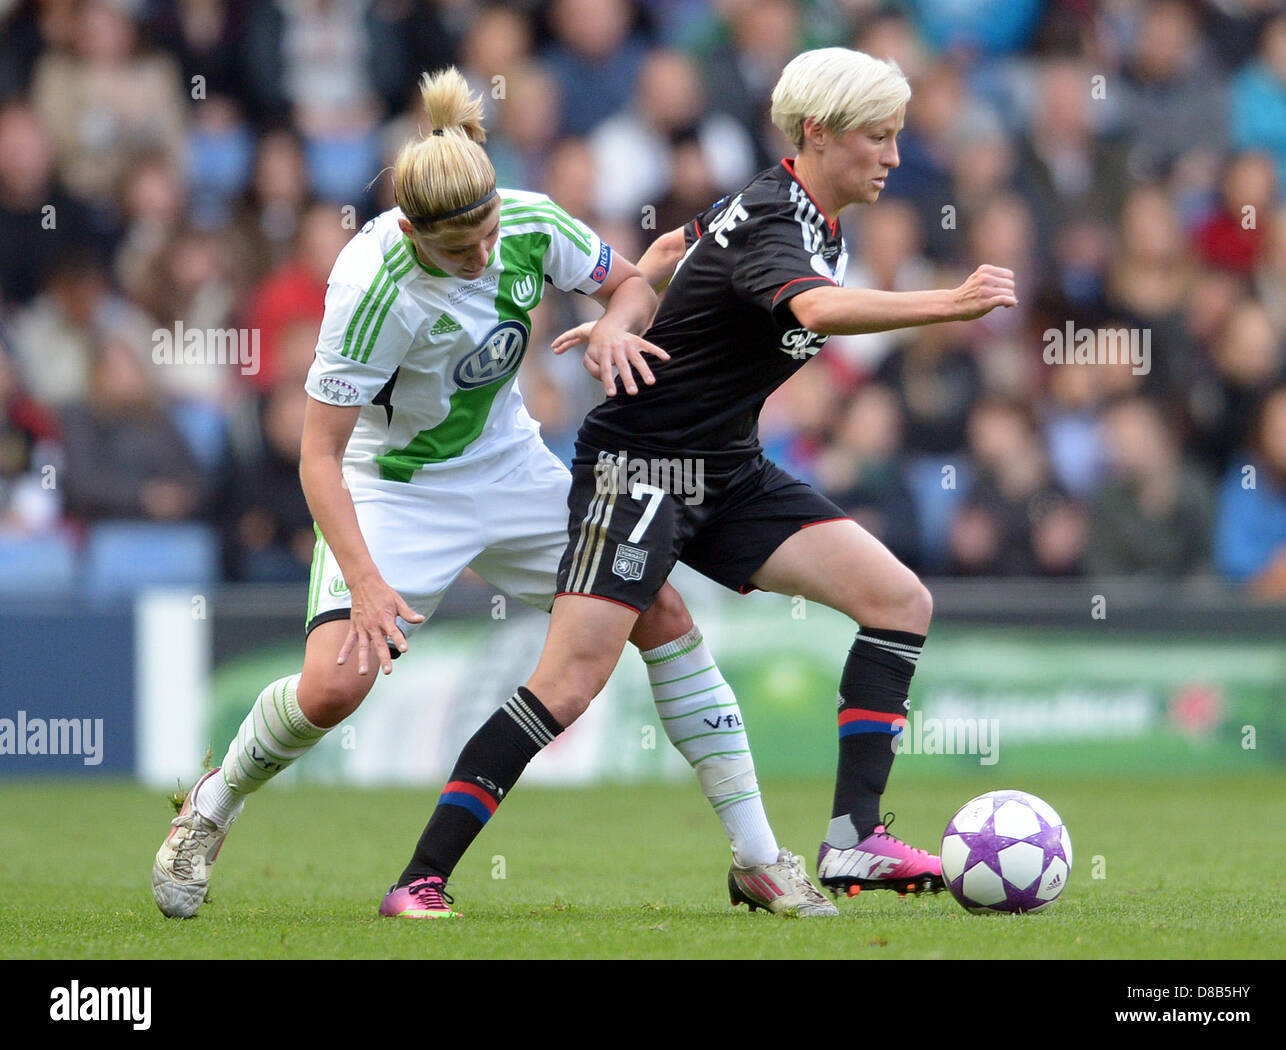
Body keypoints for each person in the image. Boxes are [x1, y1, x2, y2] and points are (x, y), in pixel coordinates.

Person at [151, 68, 834, 921]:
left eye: (488, 233)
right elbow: (317, 457)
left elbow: (631, 280)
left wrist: (618, 326)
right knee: (331, 690)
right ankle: (212, 804)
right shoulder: (367, 288)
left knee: (659, 611)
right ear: (409, 229)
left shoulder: (531, 219)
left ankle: (760, 858)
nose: (483, 256)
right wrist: (365, 579)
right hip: (393, 489)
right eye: (459, 248)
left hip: (509, 467)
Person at [393, 47, 1018, 913]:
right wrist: (950, 303)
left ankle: (853, 842)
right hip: (639, 467)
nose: (896, 156)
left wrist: (623, 307)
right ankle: (419, 880)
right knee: (570, 684)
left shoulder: (782, 201)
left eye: (898, 137)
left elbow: (665, 245)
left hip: (726, 468)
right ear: (819, 135)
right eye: (879, 137)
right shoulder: (777, 220)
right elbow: (816, 309)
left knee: (901, 602)